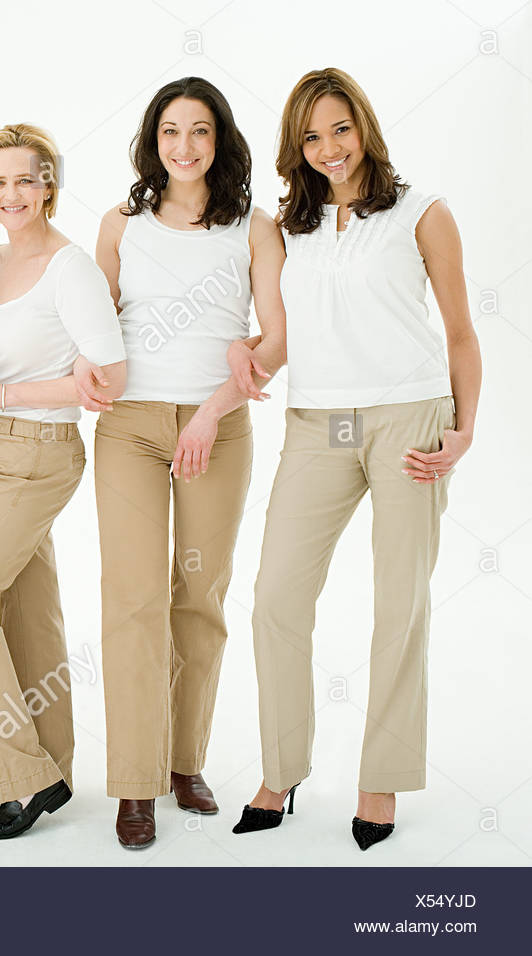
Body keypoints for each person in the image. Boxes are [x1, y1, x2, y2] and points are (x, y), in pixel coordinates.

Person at [232, 67, 481, 851]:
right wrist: (248, 359)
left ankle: (382, 781)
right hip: (320, 422)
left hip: (409, 416)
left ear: (365, 127)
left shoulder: (422, 212)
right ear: (295, 149)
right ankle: (283, 768)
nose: (329, 148)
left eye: (340, 129)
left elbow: (462, 332)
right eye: (311, 136)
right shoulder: (286, 228)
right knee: (275, 597)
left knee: (397, 606)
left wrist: (465, 428)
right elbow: (280, 333)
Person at [73, 77, 286, 849]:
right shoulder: (120, 224)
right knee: (133, 600)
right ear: (152, 141)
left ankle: (182, 761)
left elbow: (278, 339)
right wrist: (85, 372)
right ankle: (134, 784)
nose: (185, 146)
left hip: (216, 428)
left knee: (199, 595)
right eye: (170, 131)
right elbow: (92, 322)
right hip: (130, 428)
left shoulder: (254, 228)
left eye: (200, 131)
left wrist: (213, 408)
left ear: (221, 140)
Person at [0, 123, 127, 841]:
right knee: (25, 612)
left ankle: (21, 776)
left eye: (25, 179)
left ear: (49, 186)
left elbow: (110, 379)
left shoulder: (69, 268)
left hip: (36, 453)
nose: (10, 194)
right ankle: (56, 764)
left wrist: (8, 397)